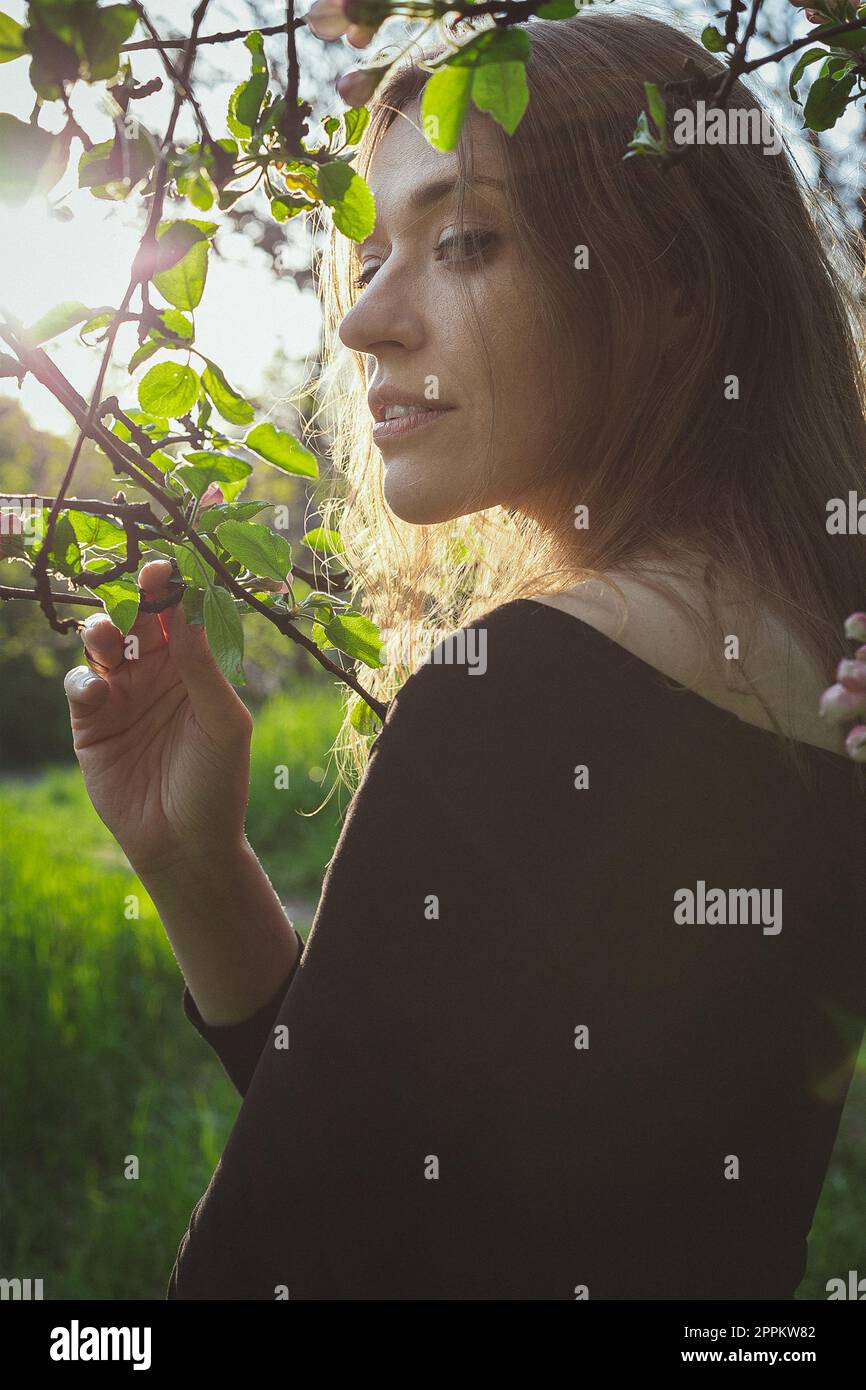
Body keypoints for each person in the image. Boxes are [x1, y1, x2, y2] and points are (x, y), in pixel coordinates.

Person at [63, 11, 866, 1299]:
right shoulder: (825, 670)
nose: (365, 322)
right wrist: (196, 867)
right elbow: (414, 1175)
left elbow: (294, 1253)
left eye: (465, 242)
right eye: (370, 256)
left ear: (674, 280)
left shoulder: (530, 692)